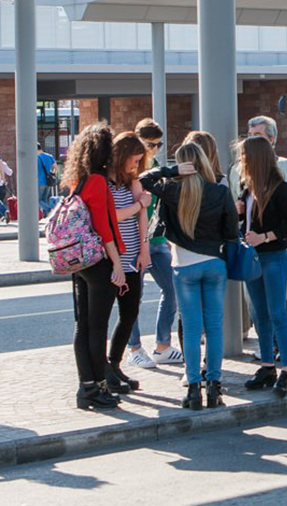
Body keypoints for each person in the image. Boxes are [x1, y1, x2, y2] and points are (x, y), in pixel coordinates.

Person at [140, 142, 239, 410]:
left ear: (183, 164)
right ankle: (215, 389)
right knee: (215, 329)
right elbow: (232, 232)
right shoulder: (219, 191)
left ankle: (193, 390)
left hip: (184, 266)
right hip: (215, 264)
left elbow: (143, 179)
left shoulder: (172, 190)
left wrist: (171, 171)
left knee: (192, 330)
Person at [229, 115, 287, 354]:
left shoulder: (285, 169)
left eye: (258, 137)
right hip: (252, 251)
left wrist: (273, 235)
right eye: (250, 137)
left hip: (281, 248)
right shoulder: (238, 173)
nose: (252, 143)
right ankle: (266, 354)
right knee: (257, 306)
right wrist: (239, 213)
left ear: (271, 140)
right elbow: (240, 210)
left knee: (284, 301)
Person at [62, 124, 127, 410]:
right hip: (98, 260)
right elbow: (104, 228)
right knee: (98, 327)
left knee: (84, 326)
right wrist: (118, 263)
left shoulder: (79, 179)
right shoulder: (98, 182)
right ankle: (98, 386)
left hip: (80, 261)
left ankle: (85, 386)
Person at [237, 136, 287, 398]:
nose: (242, 161)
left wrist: (265, 236)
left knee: (277, 312)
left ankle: (285, 368)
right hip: (253, 257)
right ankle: (266, 366)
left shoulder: (279, 187)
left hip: (273, 255)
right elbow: (246, 221)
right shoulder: (246, 186)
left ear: (256, 158)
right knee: (259, 313)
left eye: (244, 156)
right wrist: (239, 212)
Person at [126, 118, 185, 369]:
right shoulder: (130, 170)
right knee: (132, 298)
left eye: (159, 144)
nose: (155, 149)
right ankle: (134, 348)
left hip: (158, 239)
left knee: (172, 290)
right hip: (134, 241)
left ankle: (162, 345)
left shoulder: (159, 167)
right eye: (151, 144)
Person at [104, 133, 153, 395]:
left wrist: (144, 248)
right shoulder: (103, 182)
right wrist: (138, 205)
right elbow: (112, 217)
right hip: (110, 257)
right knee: (102, 314)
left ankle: (115, 363)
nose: (136, 167)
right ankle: (104, 370)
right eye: (134, 161)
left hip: (133, 255)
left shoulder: (131, 181)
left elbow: (143, 214)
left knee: (130, 311)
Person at [37, 143, 58, 216]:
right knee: (45, 199)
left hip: (39, 181)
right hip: (48, 181)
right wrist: (53, 174)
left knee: (38, 200)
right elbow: (55, 167)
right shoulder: (49, 156)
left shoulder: (36, 158)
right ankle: (45, 214)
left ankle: (49, 209)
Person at [0, 151, 12, 223]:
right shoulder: (3, 164)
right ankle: (2, 216)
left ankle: (4, 211)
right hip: (2, 185)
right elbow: (10, 172)